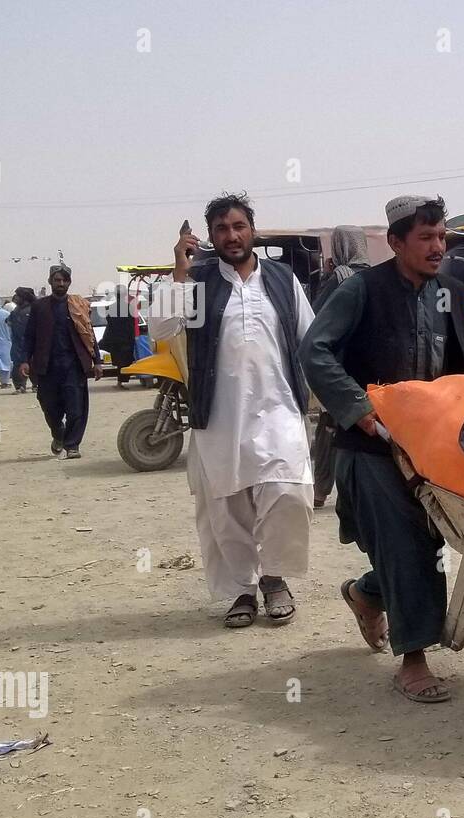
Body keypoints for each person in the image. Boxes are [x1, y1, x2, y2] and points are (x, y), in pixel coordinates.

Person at [299, 195, 464, 704]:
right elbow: (313, 349)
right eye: (425, 238)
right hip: (373, 448)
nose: (437, 247)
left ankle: (366, 594)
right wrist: (356, 406)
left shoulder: (451, 291)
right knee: (407, 546)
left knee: (435, 540)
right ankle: (414, 659)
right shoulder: (362, 289)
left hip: (435, 448)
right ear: (398, 242)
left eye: (441, 236)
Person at [152, 192, 316, 628]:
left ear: (253, 230)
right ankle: (242, 590)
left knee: (288, 494)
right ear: (210, 236)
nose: (232, 235)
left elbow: (311, 338)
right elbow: (161, 328)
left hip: (279, 409)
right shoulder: (198, 282)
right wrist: (180, 273)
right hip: (220, 416)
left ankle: (275, 578)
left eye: (239, 226)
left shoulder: (282, 280)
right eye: (222, 229)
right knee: (227, 508)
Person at [309, 226, 371, 509]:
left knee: (329, 429)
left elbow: (315, 316)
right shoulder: (375, 277)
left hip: (338, 366)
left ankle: (320, 490)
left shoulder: (340, 278)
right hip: (368, 368)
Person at [18, 265, 103, 458]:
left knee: (76, 409)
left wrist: (97, 361)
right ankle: (58, 434)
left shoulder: (77, 305)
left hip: (73, 366)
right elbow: (29, 336)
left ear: (69, 282)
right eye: (57, 280)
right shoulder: (39, 307)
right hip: (47, 367)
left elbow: (88, 335)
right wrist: (24, 360)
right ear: (50, 282)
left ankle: (72, 445)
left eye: (64, 280)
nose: (61, 283)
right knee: (50, 408)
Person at [99, 285, 138, 387]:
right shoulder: (130, 307)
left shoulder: (110, 308)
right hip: (126, 340)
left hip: (114, 339)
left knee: (119, 361)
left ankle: (120, 382)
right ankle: (120, 382)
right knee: (124, 361)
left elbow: (110, 324)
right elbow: (132, 325)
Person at [7, 287, 36, 394]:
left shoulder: (34, 309)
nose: (16, 298)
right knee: (17, 366)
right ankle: (20, 386)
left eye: (18, 296)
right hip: (18, 343)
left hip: (32, 343)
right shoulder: (16, 310)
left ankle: (35, 385)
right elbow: (9, 322)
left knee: (33, 364)